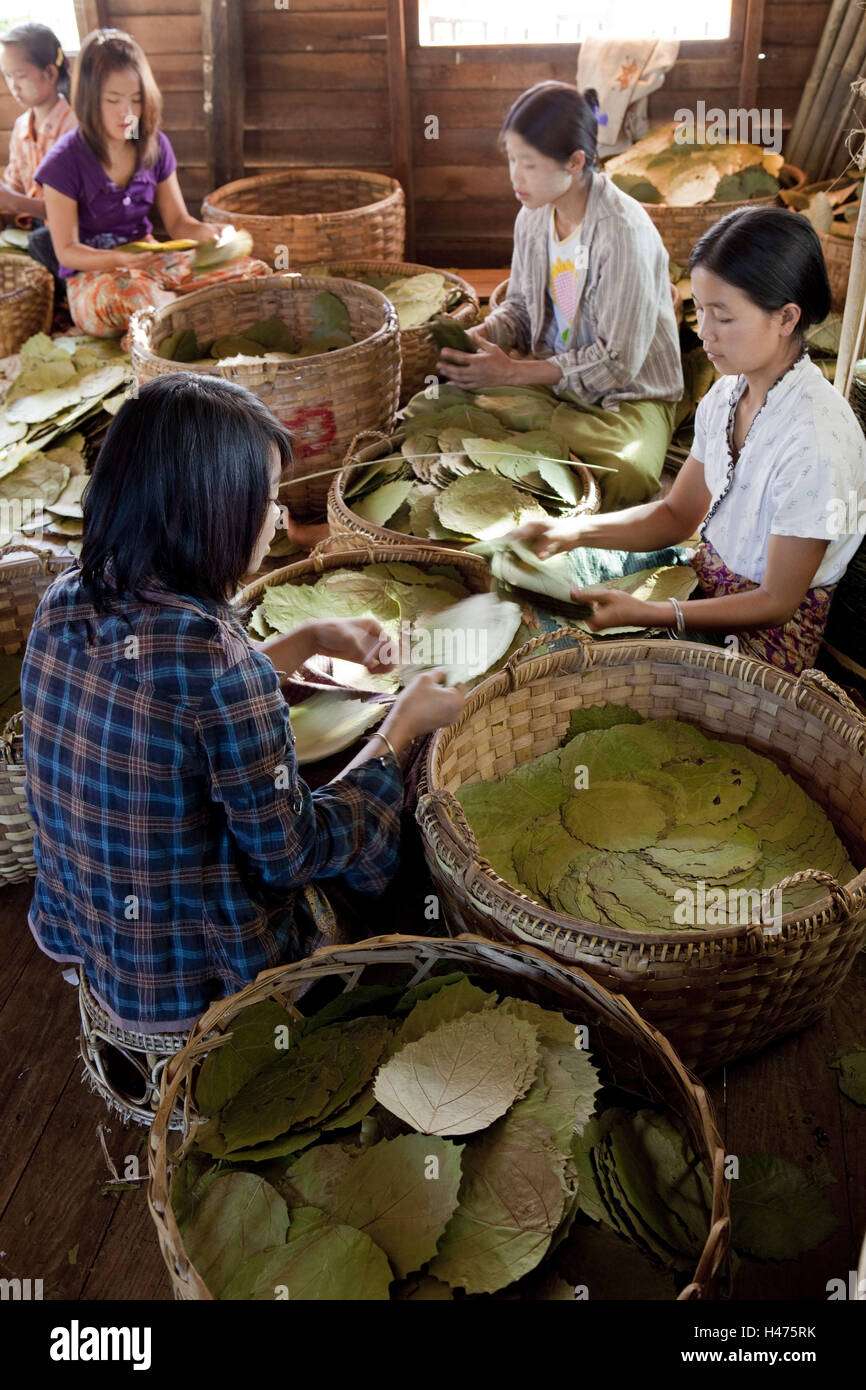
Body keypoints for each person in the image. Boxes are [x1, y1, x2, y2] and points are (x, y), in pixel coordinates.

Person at [21, 374, 464, 1032]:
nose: (279, 521)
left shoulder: (66, 598)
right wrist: (399, 730)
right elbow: (293, 853)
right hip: (194, 981)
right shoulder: (224, 671)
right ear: (213, 515)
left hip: (84, 927)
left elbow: (165, 698)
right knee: (394, 834)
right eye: (269, 503)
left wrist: (307, 642)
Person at [510, 207, 866, 675]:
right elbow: (677, 515)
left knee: (577, 666)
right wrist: (570, 533)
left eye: (722, 317)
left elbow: (777, 601)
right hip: (703, 577)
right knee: (545, 590)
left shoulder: (816, 443)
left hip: (764, 640)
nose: (704, 332)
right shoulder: (727, 394)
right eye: (699, 308)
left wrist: (653, 613)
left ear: (786, 317)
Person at [436, 81, 683, 510]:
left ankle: (535, 465)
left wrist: (511, 375)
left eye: (529, 164)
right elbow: (520, 307)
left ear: (575, 162)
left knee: (623, 473)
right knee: (428, 409)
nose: (515, 177)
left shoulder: (623, 234)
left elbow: (618, 363)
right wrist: (485, 335)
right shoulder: (532, 217)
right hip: (550, 383)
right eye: (512, 160)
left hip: (624, 400)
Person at [34, 28, 269, 339]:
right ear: (89, 99)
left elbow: (178, 223)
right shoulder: (64, 161)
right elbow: (66, 252)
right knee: (143, 295)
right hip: (95, 278)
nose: (127, 113)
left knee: (254, 272)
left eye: (136, 99)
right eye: (113, 100)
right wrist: (118, 259)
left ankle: (159, 328)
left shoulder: (152, 145)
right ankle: (160, 332)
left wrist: (213, 234)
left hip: (153, 262)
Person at [0, 22, 76, 278]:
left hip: (72, 230)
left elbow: (75, 209)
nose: (13, 85)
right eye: (7, 76)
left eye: (20, 75)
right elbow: (14, 188)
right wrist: (8, 200)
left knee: (42, 241)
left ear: (50, 74)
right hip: (33, 226)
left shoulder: (73, 128)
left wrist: (13, 201)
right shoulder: (22, 127)